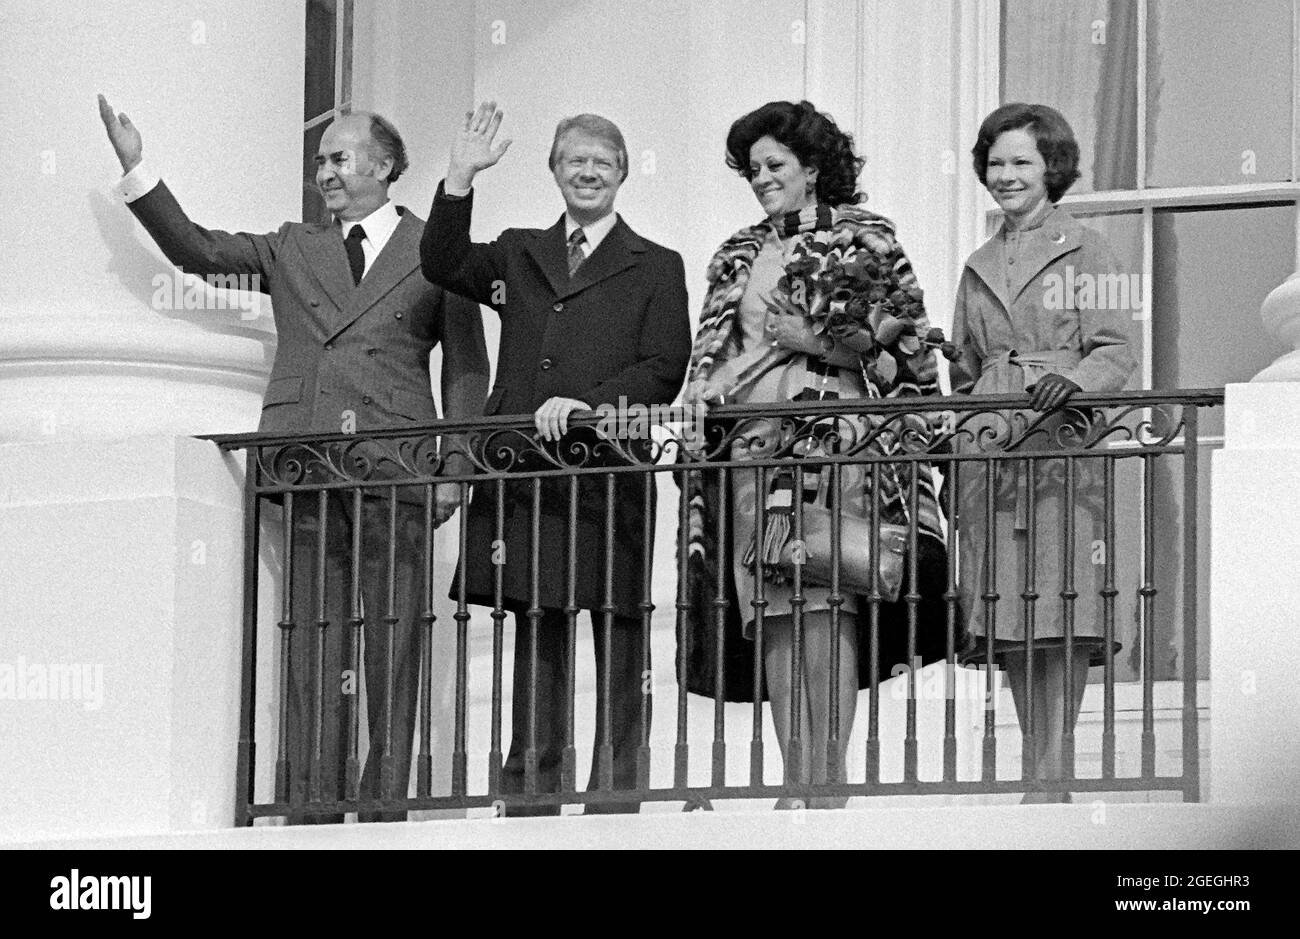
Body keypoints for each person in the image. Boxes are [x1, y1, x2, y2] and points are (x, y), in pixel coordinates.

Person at [97, 97, 490, 822]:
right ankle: (313, 808)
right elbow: (200, 252)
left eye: (339, 158)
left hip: (398, 465)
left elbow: (467, 365)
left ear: (384, 166)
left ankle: (383, 810)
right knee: (312, 642)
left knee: (396, 644)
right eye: (320, 162)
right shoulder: (292, 246)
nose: (325, 174)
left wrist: (456, 467)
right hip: (308, 463)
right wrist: (137, 167)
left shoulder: (436, 249)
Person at [680, 100, 954, 807]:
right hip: (752, 451)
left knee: (828, 596)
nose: (761, 179)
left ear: (812, 168)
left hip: (838, 443)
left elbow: (908, 360)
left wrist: (815, 341)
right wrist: (700, 392)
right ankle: (793, 782)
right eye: (752, 170)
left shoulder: (867, 239)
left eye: (774, 165)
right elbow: (715, 355)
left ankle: (826, 781)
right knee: (772, 607)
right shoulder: (737, 254)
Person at [420, 102, 691, 815]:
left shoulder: (657, 265)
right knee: (539, 624)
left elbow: (665, 366)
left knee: (620, 625)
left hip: (609, 471)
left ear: (623, 173)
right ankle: (532, 794)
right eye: (575, 159)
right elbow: (442, 262)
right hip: (530, 472)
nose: (588, 171)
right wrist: (459, 178)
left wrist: (587, 407)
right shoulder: (518, 253)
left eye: (602, 161)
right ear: (554, 170)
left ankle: (617, 794)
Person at [950, 102, 1136, 803]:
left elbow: (1117, 350)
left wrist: (1075, 383)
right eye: (996, 162)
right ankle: (1037, 768)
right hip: (991, 451)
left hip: (1061, 447)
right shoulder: (976, 264)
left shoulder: (1091, 248)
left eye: (1021, 161)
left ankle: (1053, 773)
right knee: (1012, 618)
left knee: (1062, 609)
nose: (1006, 175)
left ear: (1052, 167)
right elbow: (964, 369)